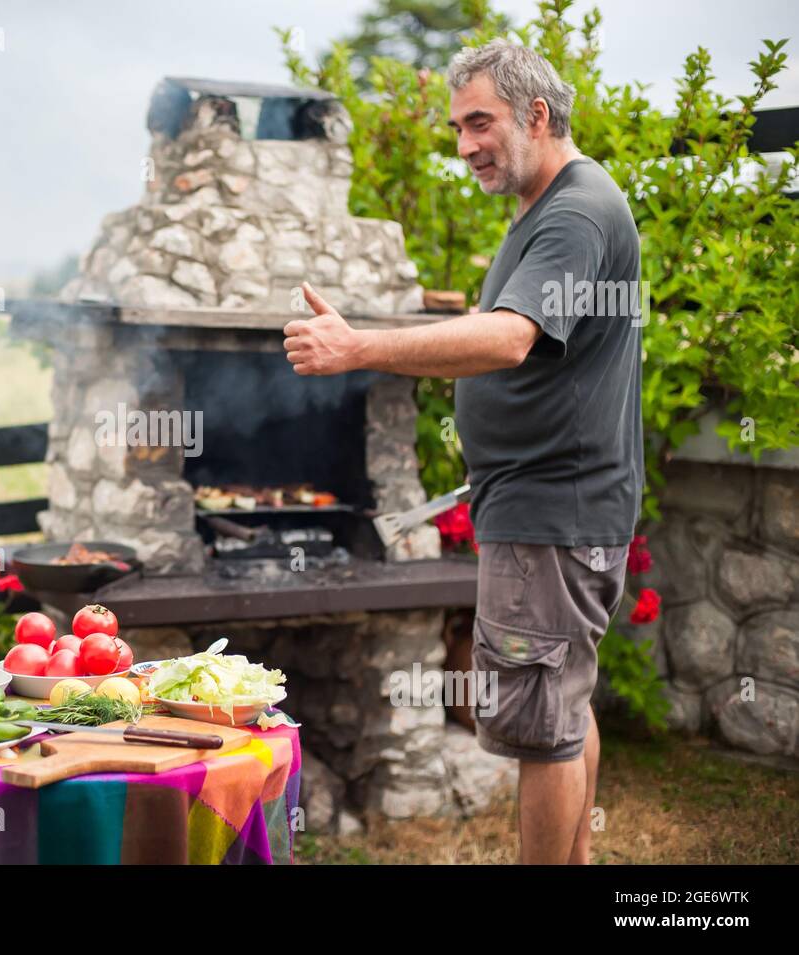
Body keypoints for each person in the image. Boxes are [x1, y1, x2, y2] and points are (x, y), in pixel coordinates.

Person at [283, 39, 642, 864]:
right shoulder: (550, 207)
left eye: (479, 123)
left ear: (537, 114)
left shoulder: (577, 212)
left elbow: (511, 339)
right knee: (565, 701)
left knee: (544, 731)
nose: (465, 145)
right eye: (457, 128)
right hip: (551, 506)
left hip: (555, 511)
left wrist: (359, 347)